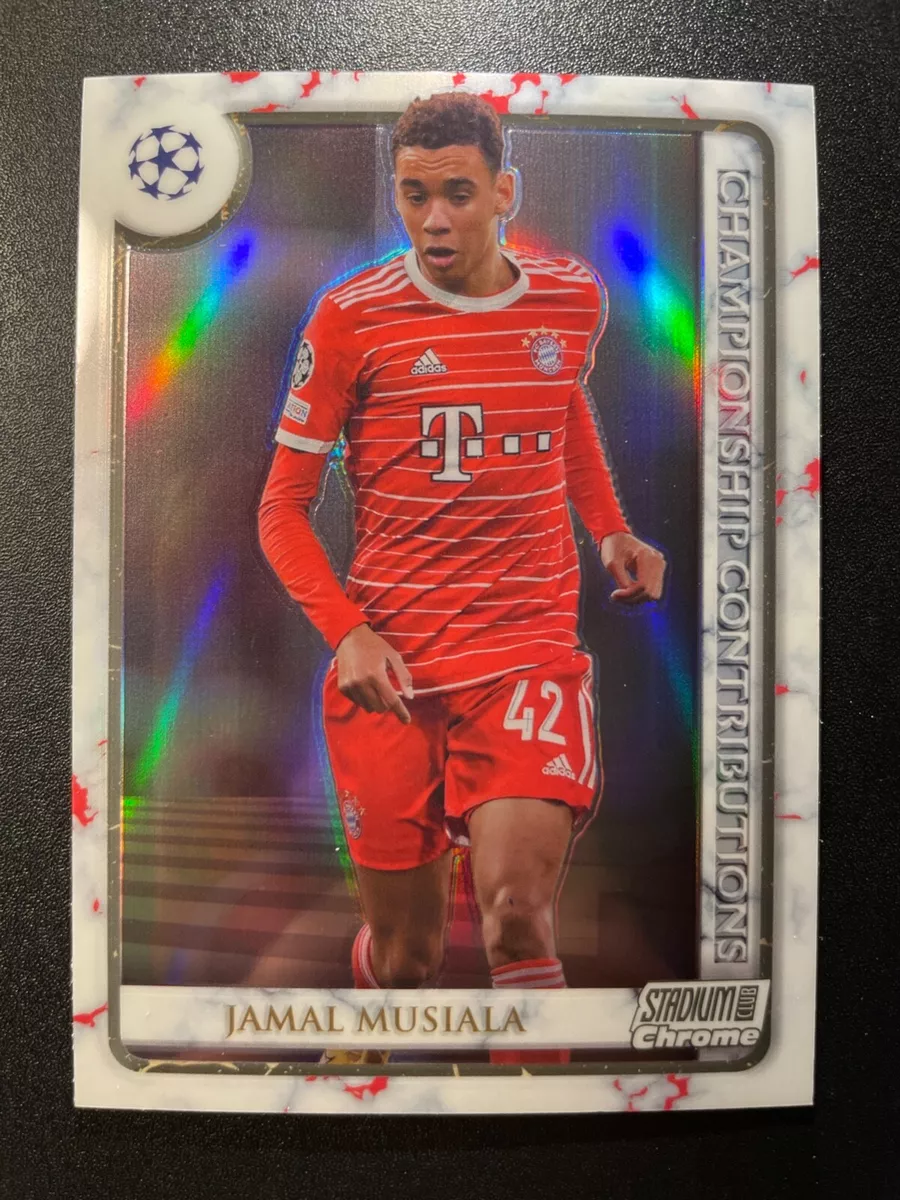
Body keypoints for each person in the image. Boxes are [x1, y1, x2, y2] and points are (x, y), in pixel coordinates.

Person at [259, 91, 666, 1066]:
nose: (435, 218)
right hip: (394, 673)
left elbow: (558, 405)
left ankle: (535, 1125)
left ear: (504, 192)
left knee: (519, 919)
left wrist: (609, 527)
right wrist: (348, 632)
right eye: (414, 196)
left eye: (457, 194)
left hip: (524, 654)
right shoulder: (352, 318)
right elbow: (280, 510)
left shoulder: (572, 299)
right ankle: (367, 1023)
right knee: (408, 961)